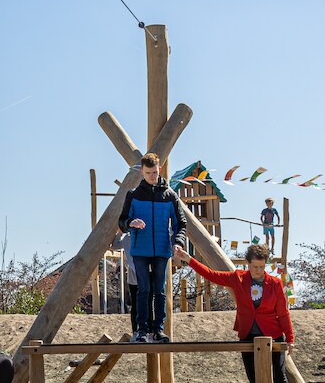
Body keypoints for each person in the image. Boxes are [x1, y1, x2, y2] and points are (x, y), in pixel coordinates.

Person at [174, 244, 295, 383]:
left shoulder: (275, 283)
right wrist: (189, 260)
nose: (259, 270)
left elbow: (283, 313)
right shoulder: (238, 278)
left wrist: (290, 339)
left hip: (274, 335)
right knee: (254, 378)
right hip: (248, 335)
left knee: (280, 377)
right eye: (255, 266)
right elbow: (211, 275)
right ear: (248, 263)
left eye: (262, 267)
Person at [117, 152, 187, 343]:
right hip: (140, 250)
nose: (152, 176)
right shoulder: (133, 195)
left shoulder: (170, 196)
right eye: (148, 173)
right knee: (143, 289)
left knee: (159, 290)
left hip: (162, 250)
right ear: (142, 172)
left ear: (160, 170)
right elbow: (121, 221)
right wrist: (131, 222)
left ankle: (158, 330)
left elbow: (181, 223)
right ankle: (141, 330)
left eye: (155, 172)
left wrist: (178, 242)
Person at [110, 230, 139, 333]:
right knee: (138, 303)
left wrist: (119, 232)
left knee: (139, 303)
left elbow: (114, 245)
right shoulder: (127, 238)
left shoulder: (127, 239)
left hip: (138, 273)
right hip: (137, 274)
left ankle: (139, 331)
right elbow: (114, 246)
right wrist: (120, 231)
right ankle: (138, 331)